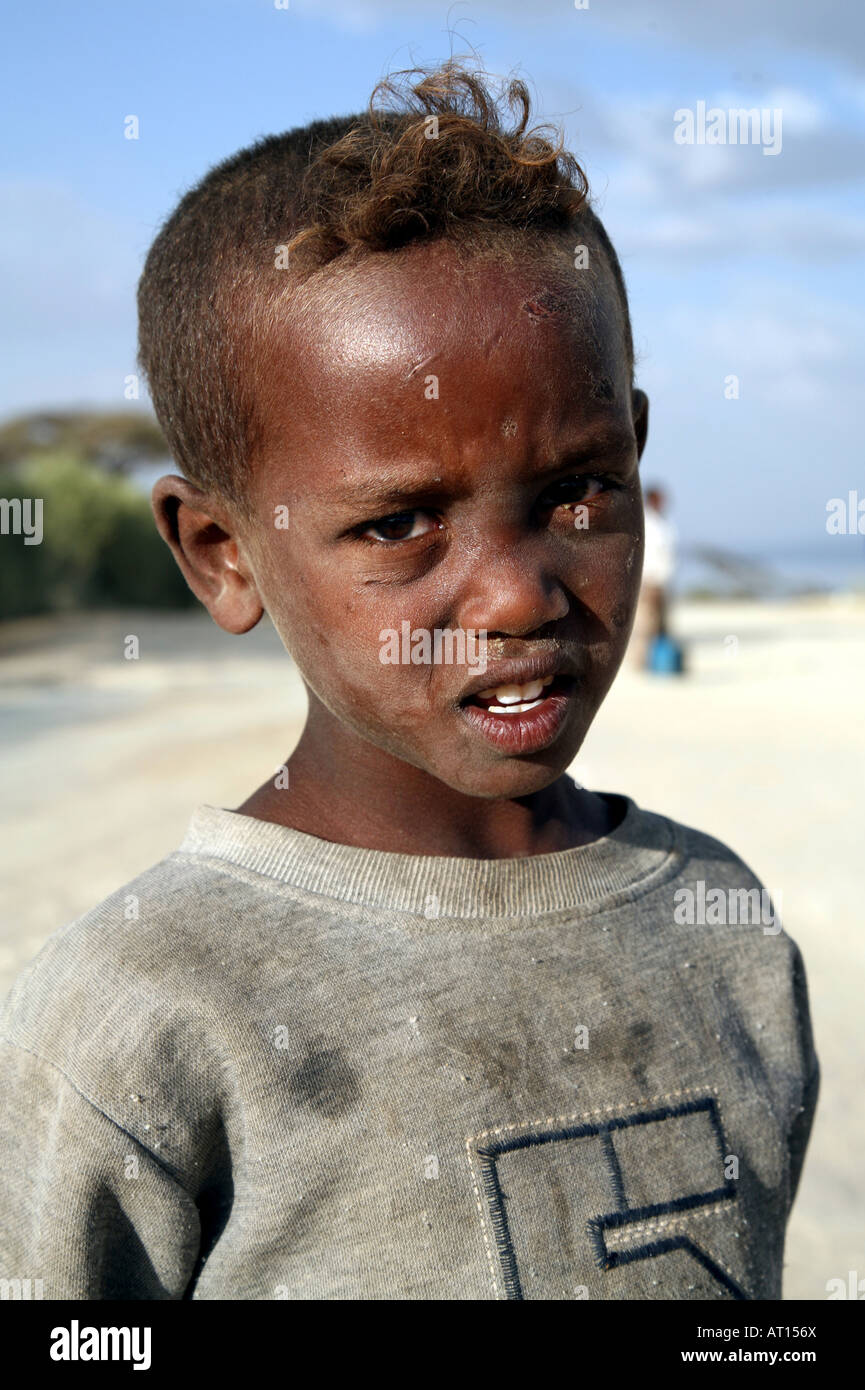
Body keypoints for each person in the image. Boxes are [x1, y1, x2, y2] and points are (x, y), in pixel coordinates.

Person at [0, 62, 817, 1300]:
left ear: (634, 452)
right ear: (223, 554)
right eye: (398, 525)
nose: (515, 595)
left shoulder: (724, 922)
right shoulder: (141, 1015)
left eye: (573, 492)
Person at [632, 484, 679, 668]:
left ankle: (662, 663)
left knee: (664, 624)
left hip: (665, 581)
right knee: (646, 624)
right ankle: (641, 662)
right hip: (649, 581)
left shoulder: (665, 522)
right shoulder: (645, 522)